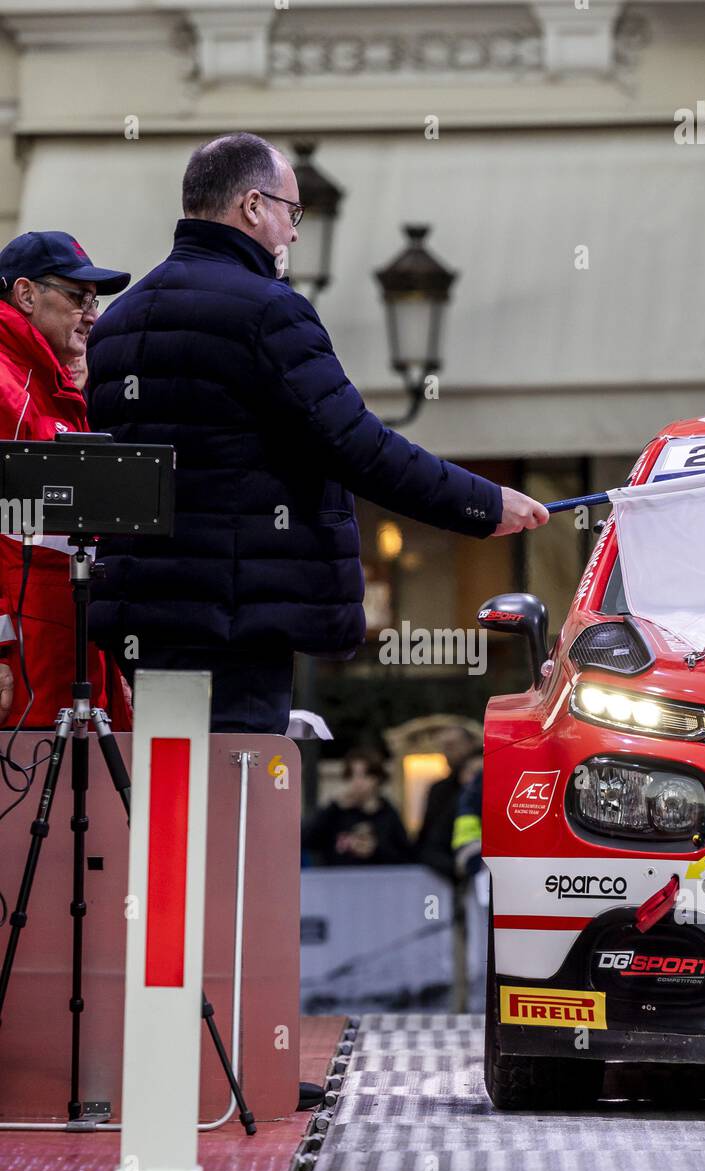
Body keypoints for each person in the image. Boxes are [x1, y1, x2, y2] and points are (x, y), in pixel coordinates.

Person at [85, 131, 549, 734]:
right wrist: (484, 502)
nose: (296, 233)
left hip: (144, 616)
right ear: (253, 206)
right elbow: (355, 445)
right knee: (235, 801)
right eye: (291, 211)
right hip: (238, 620)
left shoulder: (117, 321)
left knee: (172, 800)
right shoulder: (268, 310)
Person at [0, 231, 131, 729]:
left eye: (94, 301)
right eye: (78, 298)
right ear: (27, 294)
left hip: (58, 658)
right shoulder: (9, 384)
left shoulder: (48, 381)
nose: (93, 315)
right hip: (24, 668)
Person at [302, 748, 412, 867]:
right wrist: (332, 807)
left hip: (379, 881)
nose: (358, 782)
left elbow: (406, 857)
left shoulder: (388, 814)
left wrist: (376, 849)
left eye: (365, 775)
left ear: (378, 778)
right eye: (352, 775)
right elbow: (306, 840)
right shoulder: (336, 811)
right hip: (337, 881)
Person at [414, 725, 481, 879]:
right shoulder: (439, 790)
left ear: (470, 744)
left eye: (452, 745)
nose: (447, 752)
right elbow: (429, 838)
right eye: (443, 747)